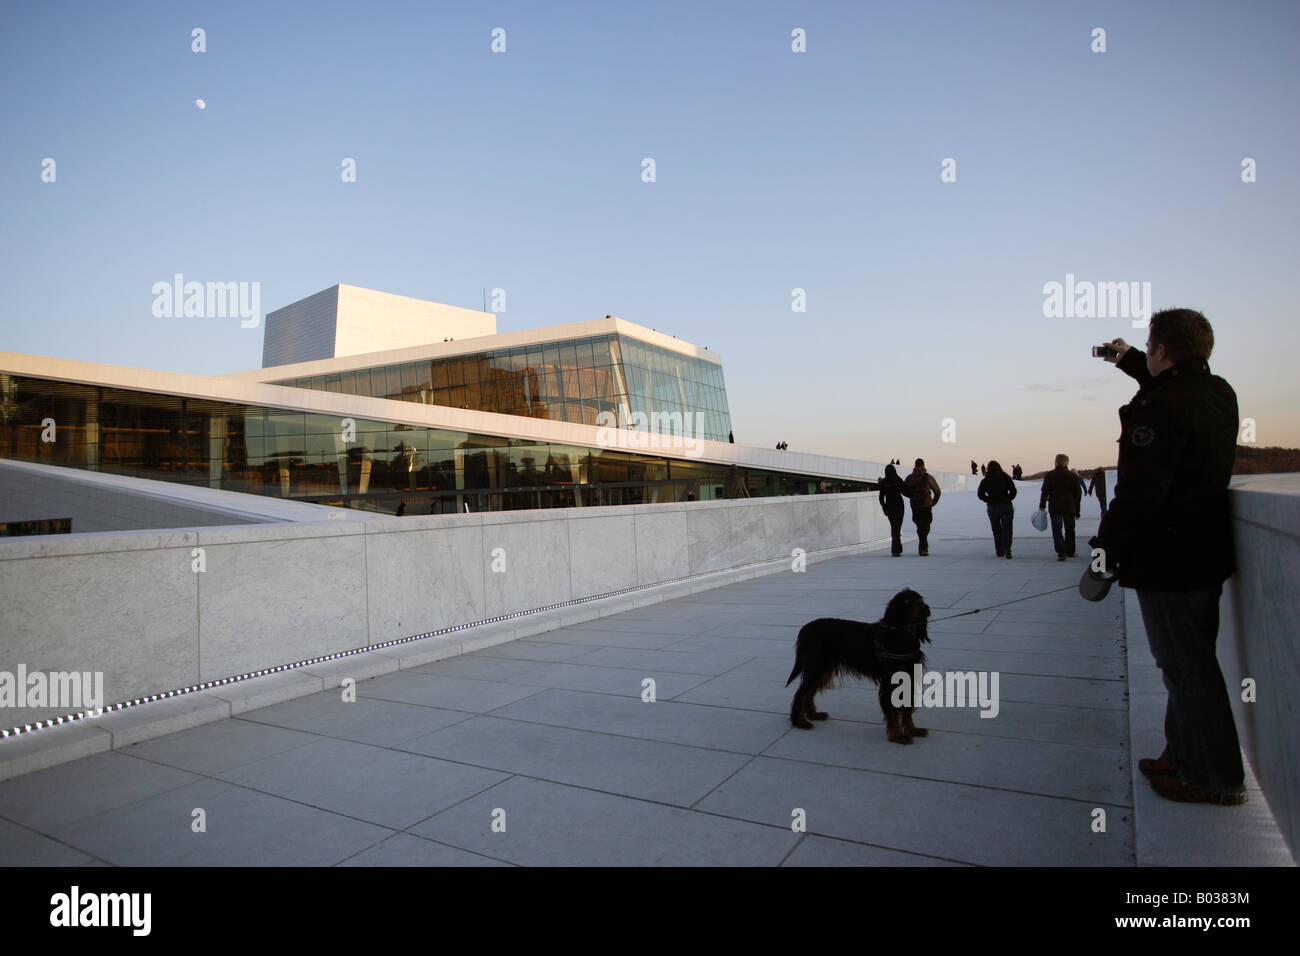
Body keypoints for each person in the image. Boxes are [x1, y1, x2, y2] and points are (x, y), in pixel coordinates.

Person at [1093, 309, 1244, 805]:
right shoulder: (1217, 391)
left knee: (1186, 669)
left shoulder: (1158, 409)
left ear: (1161, 349)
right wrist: (1133, 360)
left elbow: (1139, 492)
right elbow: (1178, 390)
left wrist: (1104, 551)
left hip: (1168, 560)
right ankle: (1183, 753)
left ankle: (1212, 777)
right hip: (1204, 553)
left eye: (1148, 347)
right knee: (1188, 663)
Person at [1039, 453, 1082, 560]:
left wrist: (1042, 504)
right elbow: (1078, 494)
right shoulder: (1073, 476)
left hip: (1055, 506)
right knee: (1070, 530)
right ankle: (1070, 551)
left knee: (1057, 530)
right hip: (1069, 506)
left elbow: (1045, 491)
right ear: (1066, 462)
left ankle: (1061, 552)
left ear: (1056, 462)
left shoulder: (1050, 475)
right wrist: (1077, 510)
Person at [977, 460, 1017, 558]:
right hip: (1006, 506)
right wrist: (1008, 499)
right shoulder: (1005, 478)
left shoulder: (986, 480)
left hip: (992, 507)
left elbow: (980, 494)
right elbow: (1013, 491)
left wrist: (988, 500)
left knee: (996, 530)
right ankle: (1007, 549)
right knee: (1007, 529)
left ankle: (999, 551)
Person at [903, 458, 941, 556]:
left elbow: (904, 491)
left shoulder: (910, 478)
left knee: (920, 526)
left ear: (915, 465)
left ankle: (923, 545)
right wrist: (933, 502)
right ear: (923, 465)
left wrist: (912, 496)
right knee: (925, 526)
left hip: (915, 506)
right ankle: (923, 547)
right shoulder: (928, 477)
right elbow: (937, 492)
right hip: (926, 505)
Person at [878, 463, 907, 556]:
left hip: (889, 507)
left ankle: (897, 549)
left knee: (894, 528)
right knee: (897, 528)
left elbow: (881, 497)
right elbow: (905, 491)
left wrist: (884, 508)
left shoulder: (884, 482)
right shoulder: (898, 480)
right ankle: (895, 550)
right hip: (899, 506)